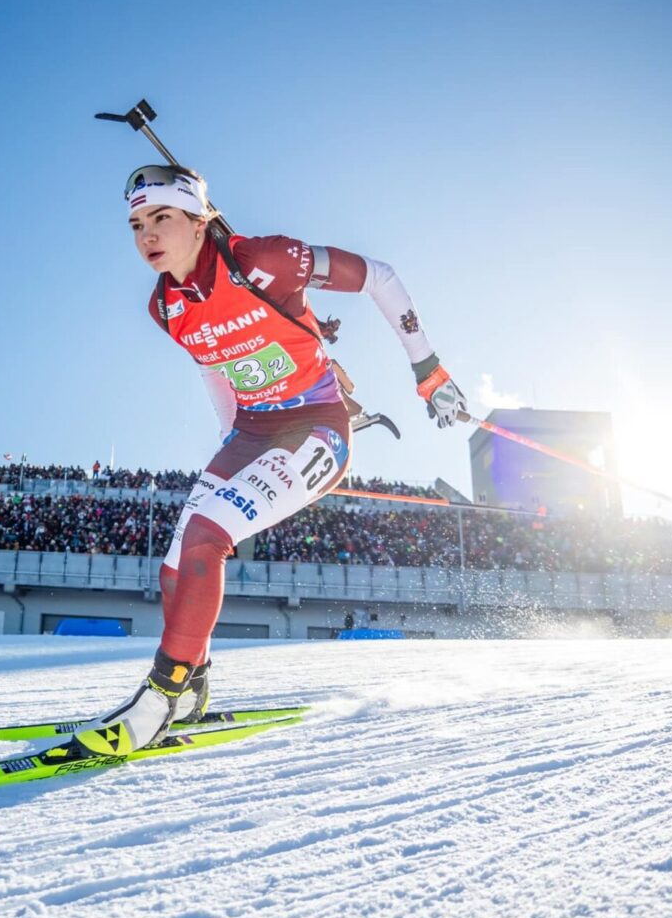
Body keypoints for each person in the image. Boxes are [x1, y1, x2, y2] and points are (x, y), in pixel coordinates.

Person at [73, 165, 469, 756]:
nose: (147, 235)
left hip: (316, 428)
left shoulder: (266, 260)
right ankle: (192, 686)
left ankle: (160, 693)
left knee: (208, 536)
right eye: (136, 224)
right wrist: (233, 448)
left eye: (162, 218)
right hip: (252, 433)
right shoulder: (165, 307)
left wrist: (428, 370)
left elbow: (379, 278)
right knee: (175, 567)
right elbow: (213, 362)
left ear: (200, 219)